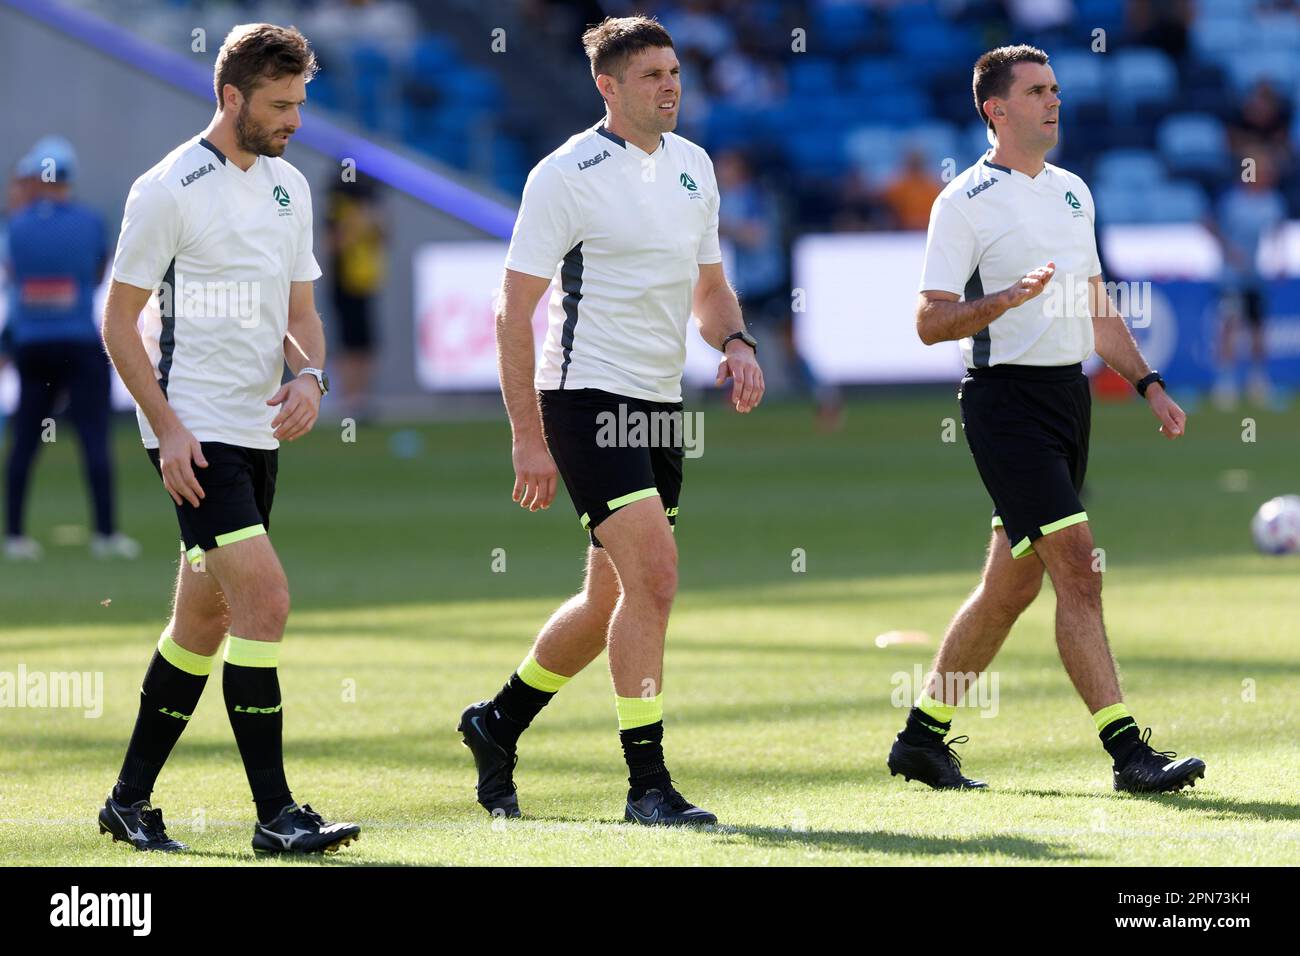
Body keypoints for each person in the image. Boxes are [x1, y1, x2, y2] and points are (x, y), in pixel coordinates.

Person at [460, 15, 764, 826]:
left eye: (675, 72)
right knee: (656, 578)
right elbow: (511, 309)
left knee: (608, 603)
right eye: (652, 76)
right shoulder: (566, 174)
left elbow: (710, 289)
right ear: (608, 86)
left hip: (660, 406)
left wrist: (734, 340)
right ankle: (647, 789)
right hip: (585, 397)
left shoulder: (696, 167)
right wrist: (527, 433)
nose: (671, 86)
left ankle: (496, 724)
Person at [889, 45, 1206, 795]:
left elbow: (1097, 307)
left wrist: (1149, 382)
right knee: (1080, 570)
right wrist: (996, 304)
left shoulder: (1072, 193)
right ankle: (1130, 754)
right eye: (1036, 91)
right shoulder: (962, 201)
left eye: (1056, 88)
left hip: (1069, 401)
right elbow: (929, 322)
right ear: (996, 109)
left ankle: (920, 740)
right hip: (1005, 405)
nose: (1054, 101)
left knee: (1010, 588)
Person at [97, 23, 359, 853]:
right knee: (266, 601)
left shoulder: (290, 188)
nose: (294, 121)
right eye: (280, 106)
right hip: (194, 434)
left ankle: (126, 803)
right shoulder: (167, 188)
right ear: (231, 96)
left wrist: (312, 378)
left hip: (257, 429)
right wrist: (167, 429)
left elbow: (302, 316)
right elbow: (118, 321)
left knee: (202, 627)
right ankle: (276, 817)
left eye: (301, 104)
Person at [3, 137, 139, 561]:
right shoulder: (89, 221)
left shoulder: (17, 225)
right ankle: (105, 533)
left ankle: (15, 535)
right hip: (79, 343)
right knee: (94, 437)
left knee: (26, 440)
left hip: (32, 345)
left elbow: (13, 276)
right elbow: (98, 275)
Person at [1207, 153, 1286, 408]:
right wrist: (1229, 251)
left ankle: (1257, 381)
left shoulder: (1273, 201)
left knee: (1257, 329)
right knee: (1230, 325)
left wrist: (1277, 258)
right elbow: (1209, 223)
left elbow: (1277, 233)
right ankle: (1225, 383)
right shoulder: (1233, 201)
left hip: (1257, 278)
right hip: (1232, 278)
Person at [325, 172, 386, 421]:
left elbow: (384, 237)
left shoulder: (370, 212)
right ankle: (347, 401)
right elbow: (330, 246)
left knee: (366, 344)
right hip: (343, 285)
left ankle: (362, 399)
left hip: (365, 284)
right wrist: (352, 226)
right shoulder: (337, 211)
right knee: (348, 344)